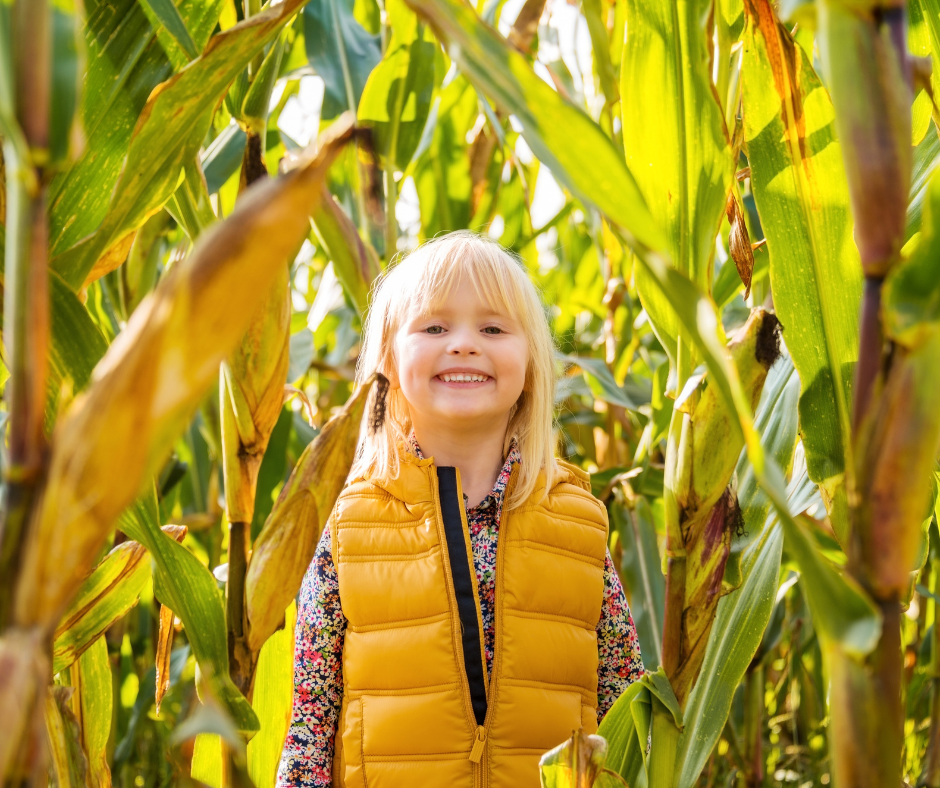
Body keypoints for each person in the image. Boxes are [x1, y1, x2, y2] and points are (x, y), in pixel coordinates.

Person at [276, 231, 643, 788]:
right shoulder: (349, 528)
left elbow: (625, 713)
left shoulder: (577, 526)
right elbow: (309, 731)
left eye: (493, 329)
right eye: (435, 327)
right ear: (389, 362)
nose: (465, 344)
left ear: (531, 367)